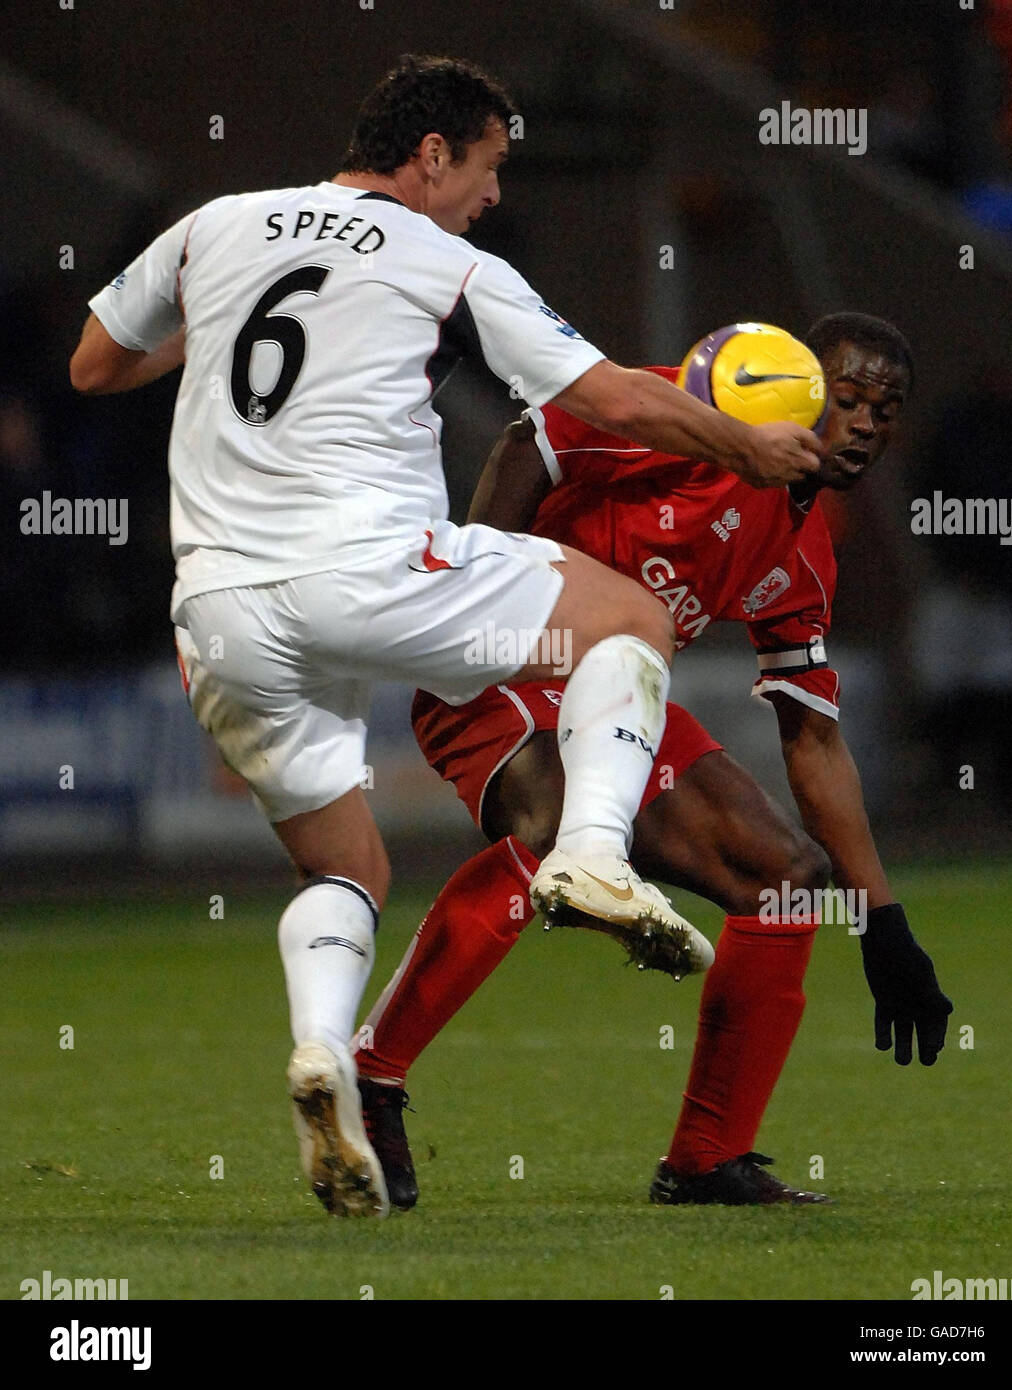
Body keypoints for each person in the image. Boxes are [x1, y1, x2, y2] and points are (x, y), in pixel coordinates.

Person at [68, 55, 823, 1220]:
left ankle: (324, 1054)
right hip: (371, 564)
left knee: (344, 865)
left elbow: (96, 363)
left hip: (218, 608)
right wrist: (746, 445)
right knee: (622, 615)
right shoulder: (445, 258)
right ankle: (592, 849)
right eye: (487, 167)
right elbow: (609, 396)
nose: (491, 195)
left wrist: (214, 327)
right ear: (433, 156)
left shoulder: (215, 225)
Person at [354, 313, 954, 1210]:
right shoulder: (688, 415)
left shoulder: (802, 552)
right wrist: (478, 579)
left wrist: (882, 919)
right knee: (557, 827)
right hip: (503, 666)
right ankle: (370, 1078)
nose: (863, 421)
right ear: (790, 382)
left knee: (784, 876)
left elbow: (813, 739)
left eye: (886, 408)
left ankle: (706, 1161)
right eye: (846, 396)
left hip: (619, 701)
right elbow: (534, 438)